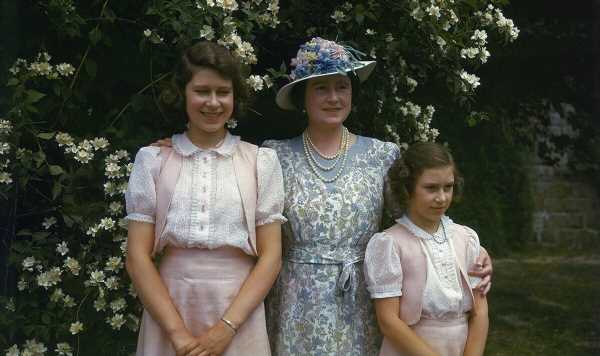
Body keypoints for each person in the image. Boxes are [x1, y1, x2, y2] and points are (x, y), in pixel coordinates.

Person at [262, 38, 492, 355]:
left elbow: (416, 223)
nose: (333, 97)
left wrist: (471, 253)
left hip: (365, 298)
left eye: (341, 86)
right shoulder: (274, 155)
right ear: (303, 96)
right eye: (321, 88)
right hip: (295, 298)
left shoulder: (381, 155)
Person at [125, 41, 285, 356]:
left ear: (234, 97)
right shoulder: (154, 160)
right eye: (202, 91)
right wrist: (178, 335)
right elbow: (137, 257)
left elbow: (271, 257)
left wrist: (226, 328)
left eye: (223, 92)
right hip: (170, 306)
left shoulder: (259, 162)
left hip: (238, 307)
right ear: (183, 93)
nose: (213, 102)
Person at [363, 142, 488, 356]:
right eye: (431, 188)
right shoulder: (390, 244)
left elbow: (480, 311)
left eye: (448, 187)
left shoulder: (466, 239)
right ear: (407, 188)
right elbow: (388, 320)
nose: (441, 198)